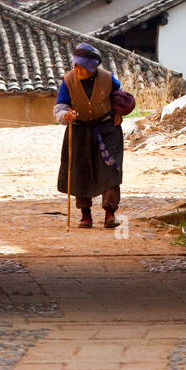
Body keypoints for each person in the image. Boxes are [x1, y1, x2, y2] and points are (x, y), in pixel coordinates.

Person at [54, 42, 135, 229]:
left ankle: (109, 213)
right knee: (81, 171)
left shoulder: (108, 79)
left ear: (91, 67)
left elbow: (120, 97)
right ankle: (85, 215)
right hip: (80, 130)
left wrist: (118, 111)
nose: (77, 69)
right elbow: (60, 106)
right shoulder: (68, 81)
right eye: (75, 65)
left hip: (107, 130)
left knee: (110, 171)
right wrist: (65, 115)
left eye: (81, 66)